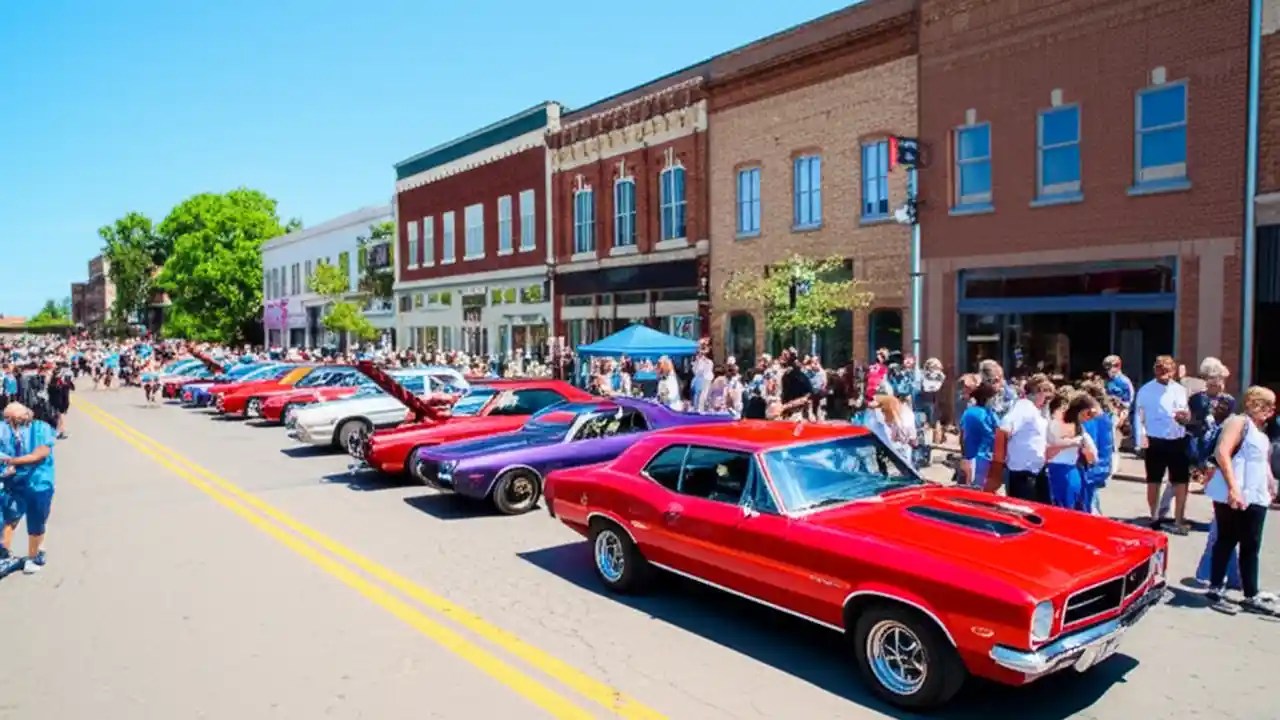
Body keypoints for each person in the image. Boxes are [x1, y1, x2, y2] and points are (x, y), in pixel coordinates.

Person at [1203, 386, 1279, 617]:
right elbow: (1222, 452)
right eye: (1266, 405)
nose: (1270, 410)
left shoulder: (1260, 432)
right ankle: (1217, 588)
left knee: (1251, 544)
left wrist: (1270, 482)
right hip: (1235, 492)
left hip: (1255, 494)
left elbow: (1262, 462)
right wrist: (1234, 488)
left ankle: (1249, 593)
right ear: (1253, 403)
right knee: (1227, 539)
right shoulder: (1239, 422)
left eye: (1272, 406)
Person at [1135, 355, 1192, 534]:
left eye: (1168, 371)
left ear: (1174, 371)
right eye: (1161, 371)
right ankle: (1154, 517)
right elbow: (1139, 416)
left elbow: (1187, 413)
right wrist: (1140, 440)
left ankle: (1179, 518)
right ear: (1155, 371)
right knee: (1154, 480)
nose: (1165, 375)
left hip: (1178, 438)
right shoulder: (1145, 390)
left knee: (1181, 481)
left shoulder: (1180, 390)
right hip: (1155, 440)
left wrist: (1185, 418)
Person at [0, 402, 57, 575]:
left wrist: (10, 461)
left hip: (38, 481)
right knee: (8, 517)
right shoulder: (3, 428)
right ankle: (4, 555)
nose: (11, 421)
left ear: (26, 415)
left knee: (36, 519)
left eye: (15, 418)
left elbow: (39, 454)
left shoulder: (40, 428)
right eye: (8, 418)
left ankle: (34, 556)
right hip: (12, 481)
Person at [959, 381, 999, 488]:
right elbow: (998, 434)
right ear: (988, 398)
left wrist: (964, 455)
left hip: (969, 457)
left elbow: (962, 436)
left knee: (969, 489)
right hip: (985, 458)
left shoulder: (968, 412)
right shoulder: (990, 414)